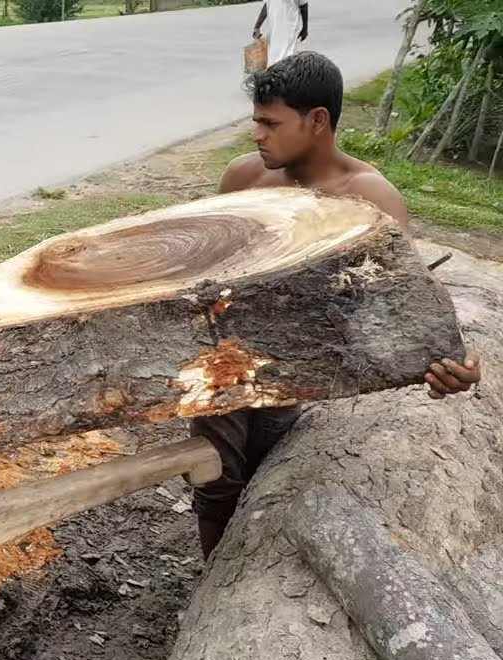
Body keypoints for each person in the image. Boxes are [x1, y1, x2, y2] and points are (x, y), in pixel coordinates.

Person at [193, 51, 484, 559]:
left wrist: (449, 363)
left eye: (269, 123)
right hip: (224, 360)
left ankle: (245, 583)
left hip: (304, 366)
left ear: (318, 120)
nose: (257, 134)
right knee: (214, 478)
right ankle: (210, 584)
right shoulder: (243, 179)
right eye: (255, 121)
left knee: (266, 475)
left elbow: (402, 304)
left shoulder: (368, 198)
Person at [253, 0, 309, 66]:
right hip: (273, 31)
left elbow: (304, 6)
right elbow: (267, 5)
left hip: (290, 30)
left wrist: (305, 28)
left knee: (287, 58)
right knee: (274, 60)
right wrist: (257, 26)